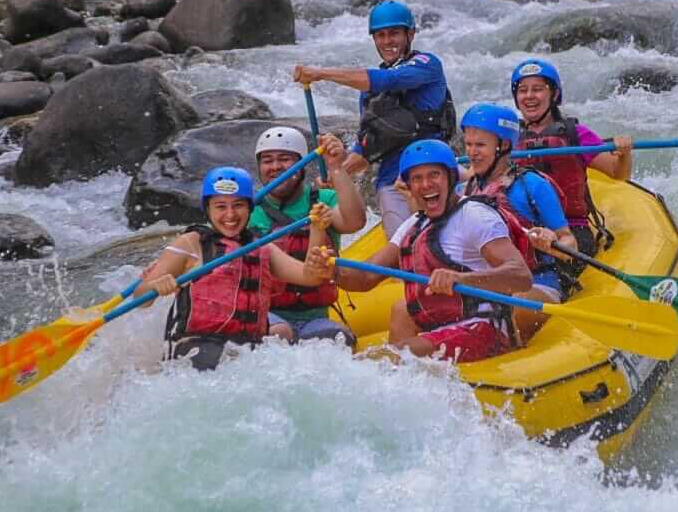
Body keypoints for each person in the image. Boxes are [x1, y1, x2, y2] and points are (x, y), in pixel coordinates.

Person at [331, 139, 533, 363]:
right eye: (417, 178)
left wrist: (461, 278)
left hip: (483, 329)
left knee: (384, 359)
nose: (426, 184)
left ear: (450, 178)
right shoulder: (415, 225)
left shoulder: (476, 216)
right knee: (402, 314)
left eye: (434, 175)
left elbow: (521, 277)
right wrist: (332, 271)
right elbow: (366, 276)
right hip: (441, 326)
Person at [135, 166, 334, 371]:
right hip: (198, 348)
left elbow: (310, 276)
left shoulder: (262, 248)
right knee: (221, 359)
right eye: (220, 206)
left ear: (249, 209)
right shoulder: (190, 243)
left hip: (248, 349)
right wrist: (155, 286)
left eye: (238, 205)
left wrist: (317, 229)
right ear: (208, 209)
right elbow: (140, 297)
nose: (230, 215)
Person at [292, 0, 456, 239]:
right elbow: (365, 149)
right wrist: (337, 172)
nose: (388, 41)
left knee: (444, 244)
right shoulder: (369, 92)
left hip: (434, 175)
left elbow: (389, 80)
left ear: (410, 34)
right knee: (407, 247)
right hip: (393, 182)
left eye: (394, 34)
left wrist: (321, 73)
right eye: (381, 35)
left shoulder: (427, 65)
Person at [459, 103, 579, 340]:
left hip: (536, 285)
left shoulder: (532, 185)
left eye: (480, 145)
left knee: (514, 302)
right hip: (486, 284)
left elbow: (570, 245)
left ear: (503, 146)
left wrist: (553, 241)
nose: (472, 153)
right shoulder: (465, 190)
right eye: (469, 145)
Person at [510, 58, 633, 285]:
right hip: (524, 231)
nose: (529, 96)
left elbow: (618, 173)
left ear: (554, 94)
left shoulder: (576, 135)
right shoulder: (508, 138)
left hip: (572, 231)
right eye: (523, 90)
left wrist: (624, 153)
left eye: (537, 89)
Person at [251, 127, 365, 346]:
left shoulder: (323, 200)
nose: (275, 167)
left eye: (284, 159)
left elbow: (354, 221)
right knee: (278, 334)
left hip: (315, 318)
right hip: (265, 314)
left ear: (302, 164)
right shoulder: (247, 210)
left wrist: (335, 167)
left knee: (338, 341)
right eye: (267, 160)